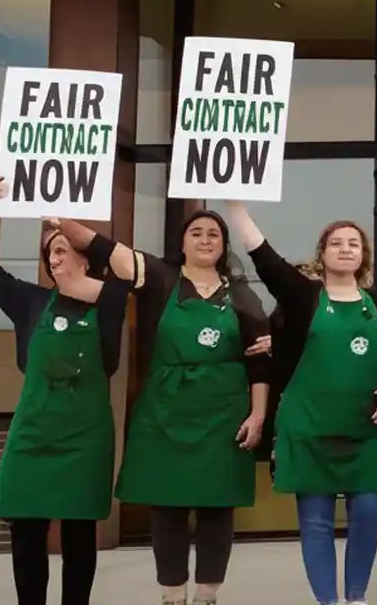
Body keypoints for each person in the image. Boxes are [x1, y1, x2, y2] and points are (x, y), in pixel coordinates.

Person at [55, 212, 273, 605]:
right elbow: (103, 247)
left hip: (224, 412)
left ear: (224, 245)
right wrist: (58, 218)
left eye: (214, 234)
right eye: (196, 233)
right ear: (183, 241)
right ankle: (172, 596)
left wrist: (258, 415)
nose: (205, 240)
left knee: (217, 509)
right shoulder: (158, 277)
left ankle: (207, 595)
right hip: (165, 410)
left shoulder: (242, 294)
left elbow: (259, 361)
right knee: (167, 510)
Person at [224, 203, 377, 605]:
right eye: (335, 243)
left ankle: (356, 597)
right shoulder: (304, 297)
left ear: (363, 255)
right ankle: (328, 601)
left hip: (365, 428)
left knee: (369, 513)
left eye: (353, 243)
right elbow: (264, 257)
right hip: (309, 425)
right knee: (317, 521)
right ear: (322, 253)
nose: (345, 249)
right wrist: (235, 207)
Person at [0, 175, 133, 605]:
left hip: (85, 437)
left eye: (64, 249)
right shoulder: (33, 303)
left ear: (85, 256)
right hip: (33, 435)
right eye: (50, 251)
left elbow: (125, 278)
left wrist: (66, 222)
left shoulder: (110, 301)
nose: (54, 257)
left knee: (79, 535)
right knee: (25, 532)